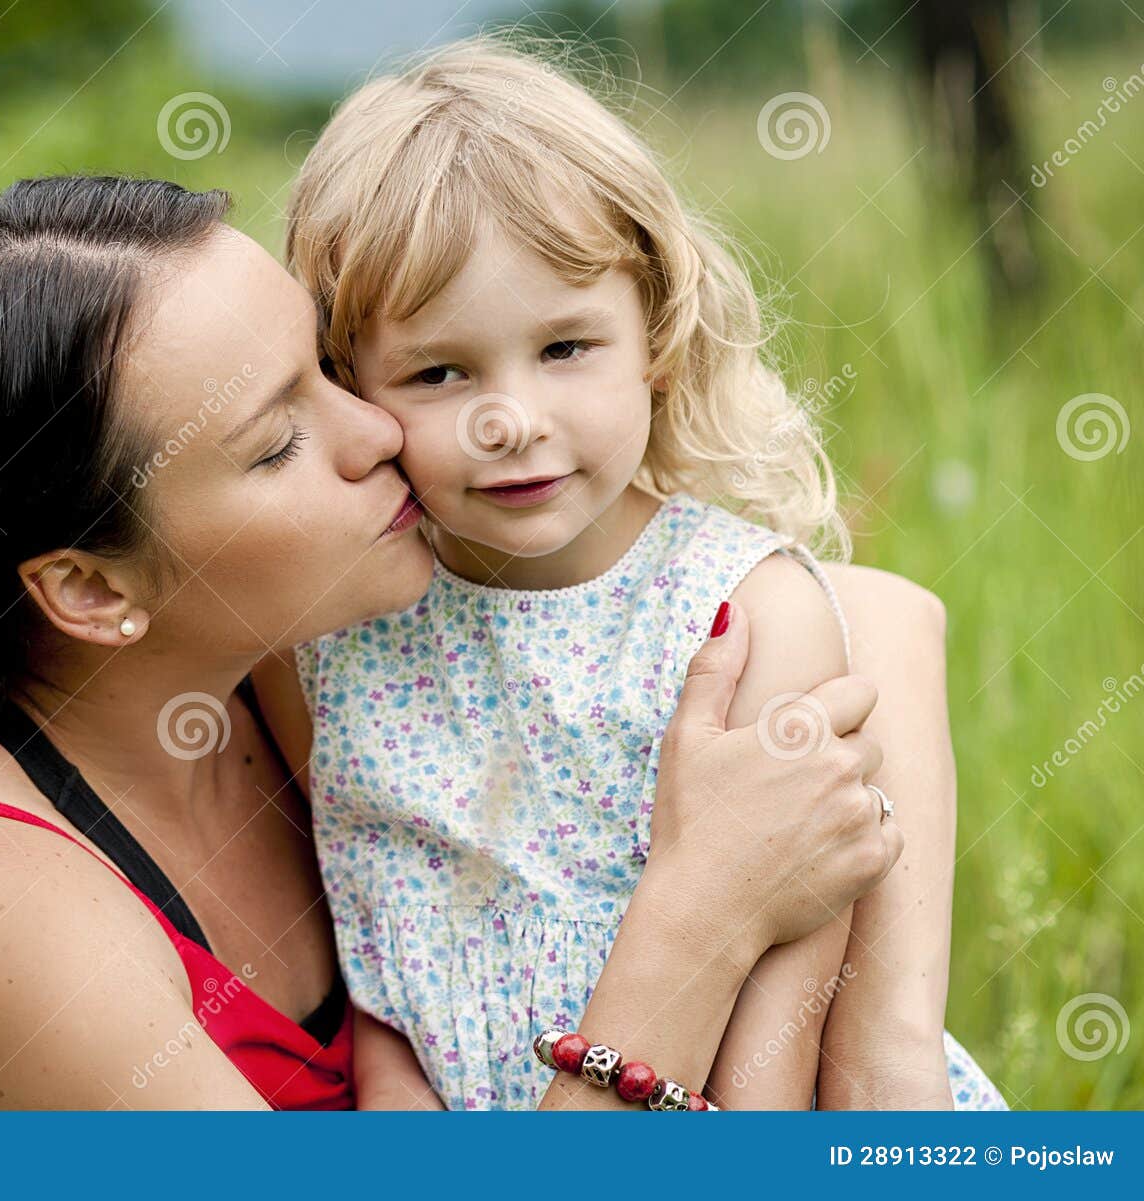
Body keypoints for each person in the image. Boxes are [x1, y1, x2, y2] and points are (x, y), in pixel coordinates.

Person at [0, 174, 905, 1110]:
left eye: (328, 367)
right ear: (85, 584)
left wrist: (884, 1038)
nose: (384, 428)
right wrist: (701, 914)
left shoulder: (276, 672)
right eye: (276, 442)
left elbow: (881, 616)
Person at [268, 38, 1005, 1109]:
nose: (512, 420)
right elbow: (372, 958)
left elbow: (787, 1022)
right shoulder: (335, 633)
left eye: (565, 348)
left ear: (654, 334)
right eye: (438, 371)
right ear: (351, 385)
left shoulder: (744, 614)